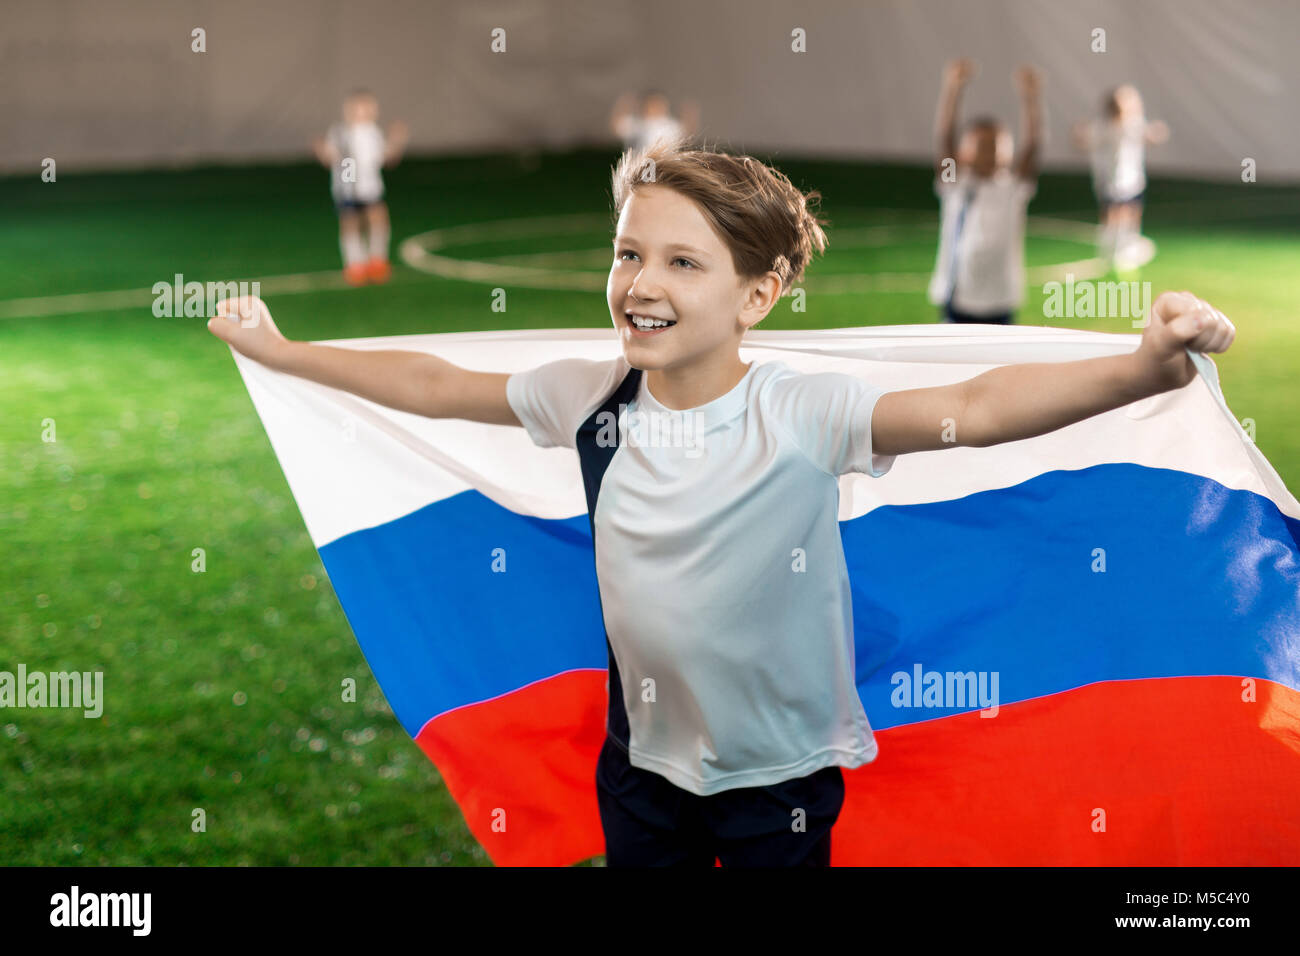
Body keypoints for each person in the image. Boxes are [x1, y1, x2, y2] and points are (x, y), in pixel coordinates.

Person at [207, 135, 1235, 867]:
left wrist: (1143, 365)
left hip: (775, 776)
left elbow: (975, 404)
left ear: (756, 294)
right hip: (641, 759)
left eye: (680, 262)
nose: (638, 281)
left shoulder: (799, 407)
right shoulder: (591, 394)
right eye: (627, 252)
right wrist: (285, 352)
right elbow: (432, 386)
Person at [927, 58, 1042, 325]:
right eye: (983, 144)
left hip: (1000, 298)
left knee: (1001, 364)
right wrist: (952, 89)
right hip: (956, 296)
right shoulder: (955, 186)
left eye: (999, 144)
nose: (992, 150)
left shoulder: (1014, 188)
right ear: (963, 152)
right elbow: (944, 138)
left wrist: (1031, 97)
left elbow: (1033, 146)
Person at [313, 89, 409, 286]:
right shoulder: (340, 132)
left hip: (370, 187)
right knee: (350, 224)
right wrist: (323, 151)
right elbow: (331, 158)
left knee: (378, 219)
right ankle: (355, 264)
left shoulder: (372, 132)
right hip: (347, 187)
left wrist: (397, 141)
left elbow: (386, 158)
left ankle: (376, 261)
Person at [1072, 85, 1169, 271]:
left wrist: (1156, 133)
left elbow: (1149, 135)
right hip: (1110, 181)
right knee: (1113, 213)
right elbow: (1085, 140)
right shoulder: (1103, 128)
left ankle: (1127, 245)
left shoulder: (1133, 125)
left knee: (1132, 211)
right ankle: (1111, 247)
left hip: (1132, 180)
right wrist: (1080, 135)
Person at [610, 89, 701, 153]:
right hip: (639, 167)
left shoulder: (670, 125)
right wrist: (622, 106)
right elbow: (617, 128)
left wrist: (690, 116)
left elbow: (687, 135)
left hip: (662, 168)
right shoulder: (636, 123)